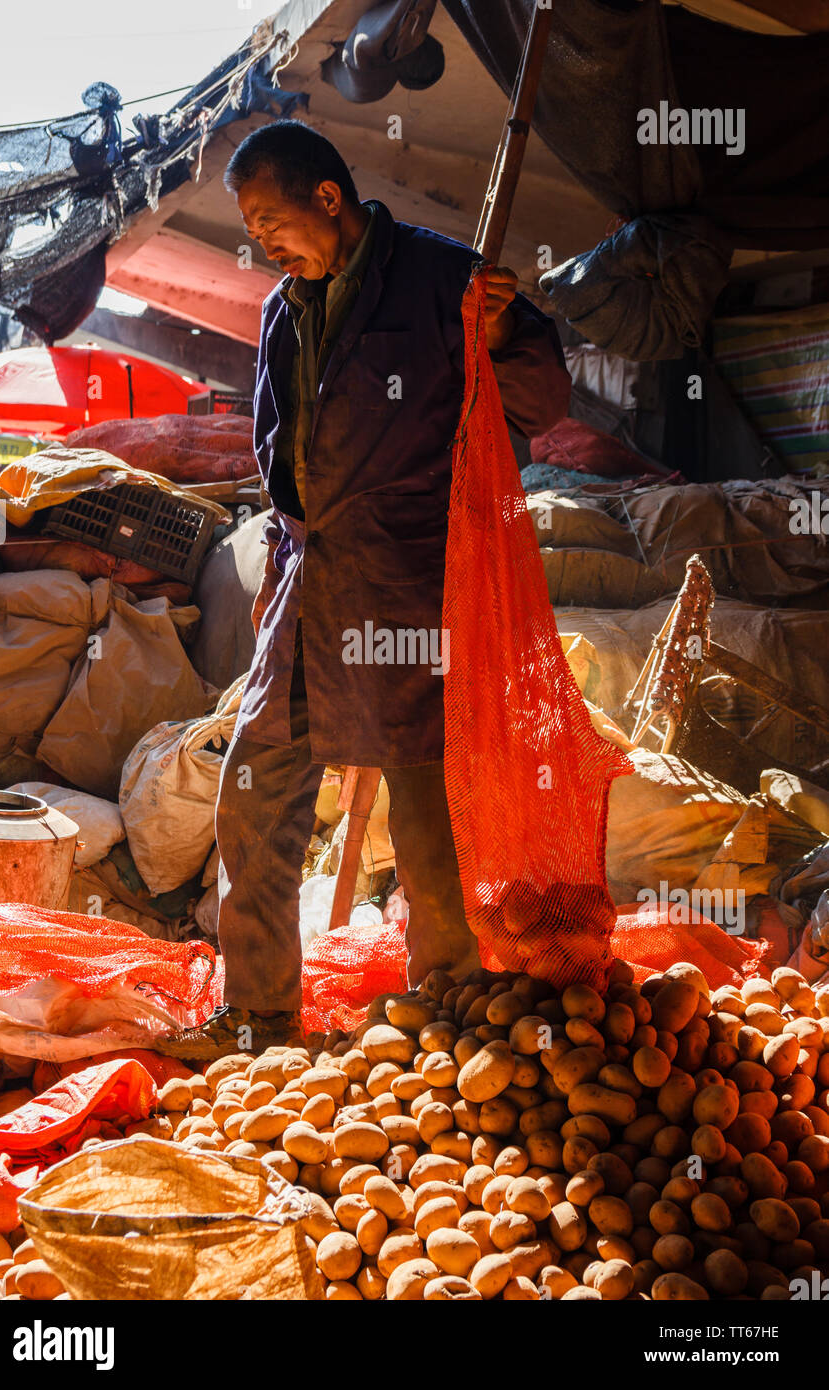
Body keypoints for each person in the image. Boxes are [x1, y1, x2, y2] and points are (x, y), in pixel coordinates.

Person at [163, 120, 570, 1060]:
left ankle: (456, 1010)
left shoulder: (441, 280)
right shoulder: (279, 311)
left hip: (408, 581)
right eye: (252, 228)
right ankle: (260, 1015)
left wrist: (504, 333)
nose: (260, 243)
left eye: (270, 221)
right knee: (255, 784)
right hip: (312, 581)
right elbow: (281, 456)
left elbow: (540, 406)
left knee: (426, 807)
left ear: (328, 199)